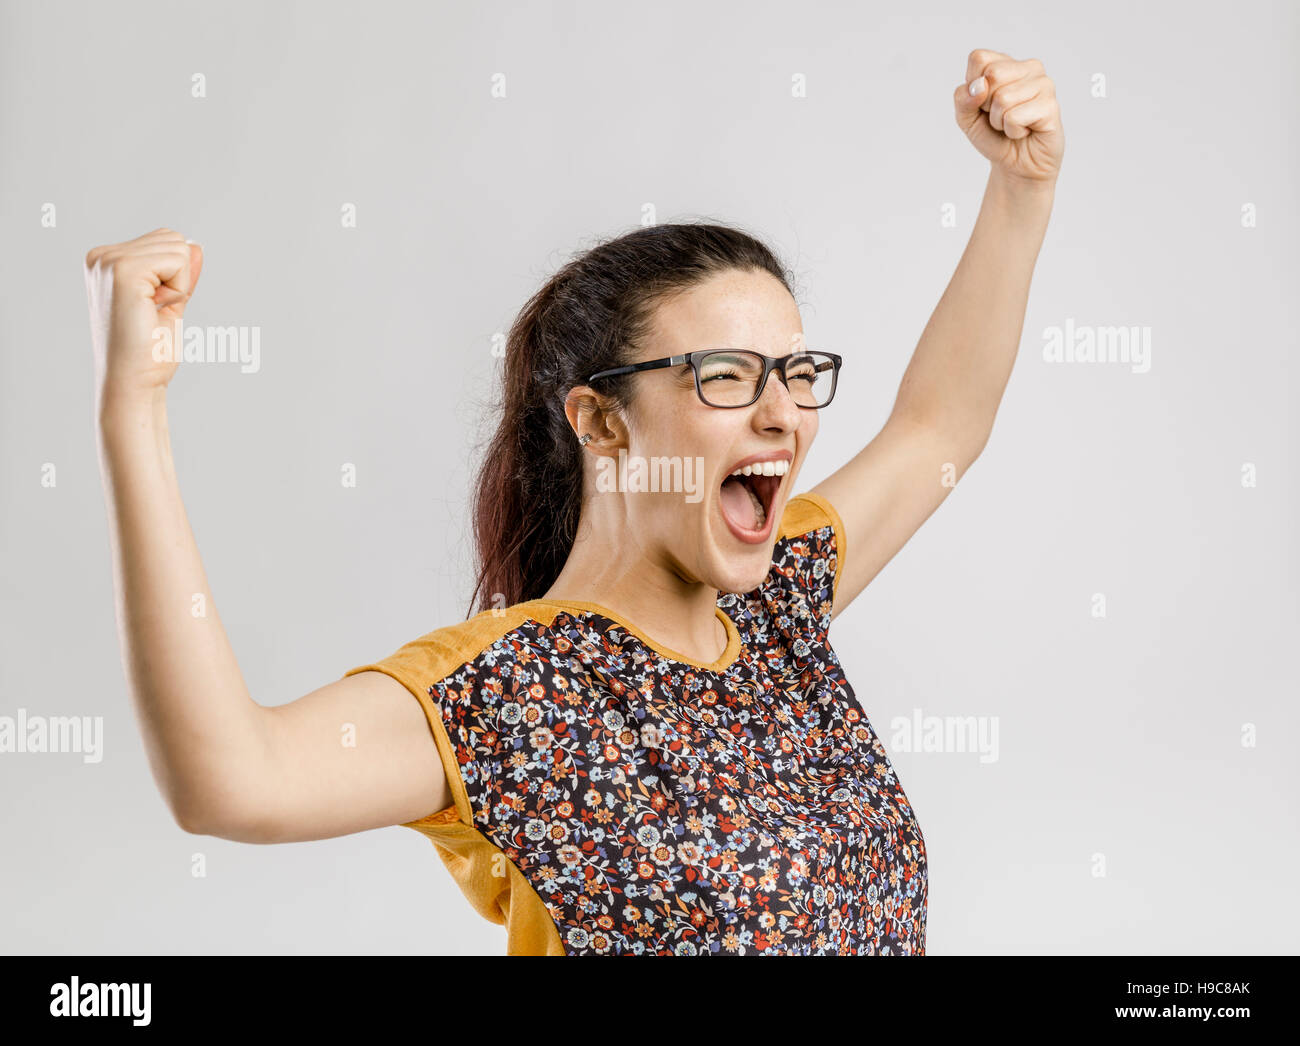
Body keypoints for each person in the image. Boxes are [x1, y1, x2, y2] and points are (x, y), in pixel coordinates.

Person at [84, 50, 1061, 955]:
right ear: (599, 422)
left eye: (794, 371)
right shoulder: (517, 689)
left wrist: (1021, 187)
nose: (781, 415)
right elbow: (232, 776)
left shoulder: (778, 598)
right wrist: (133, 407)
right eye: (723, 374)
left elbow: (938, 428)